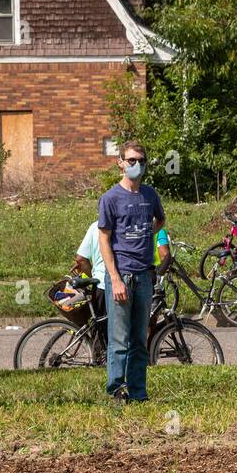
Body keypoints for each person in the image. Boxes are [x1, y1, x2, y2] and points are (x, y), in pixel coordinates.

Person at [98, 140, 165, 402]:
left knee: (139, 338)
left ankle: (138, 392)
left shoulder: (150, 195)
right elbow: (104, 239)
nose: (137, 165)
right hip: (122, 275)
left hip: (144, 275)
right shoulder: (110, 198)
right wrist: (115, 279)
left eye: (141, 161)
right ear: (121, 163)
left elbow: (161, 220)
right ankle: (116, 389)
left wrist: (149, 234)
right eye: (132, 160)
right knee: (119, 340)